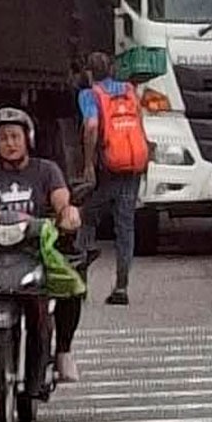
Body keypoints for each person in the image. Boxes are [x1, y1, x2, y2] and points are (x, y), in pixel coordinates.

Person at [0, 107, 83, 392]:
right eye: (3, 138)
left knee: (72, 283)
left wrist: (68, 214)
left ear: (28, 138)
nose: (10, 143)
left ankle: (63, 351)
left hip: (36, 250)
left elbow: (62, 201)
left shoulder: (47, 170)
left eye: (15, 136)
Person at [76, 51, 148, 306]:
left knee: (86, 218)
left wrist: (88, 163)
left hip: (108, 167)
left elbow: (92, 125)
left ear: (89, 73)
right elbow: (140, 123)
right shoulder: (129, 90)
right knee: (125, 226)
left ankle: (80, 283)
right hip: (132, 166)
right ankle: (121, 287)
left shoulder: (90, 94)